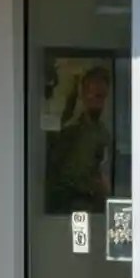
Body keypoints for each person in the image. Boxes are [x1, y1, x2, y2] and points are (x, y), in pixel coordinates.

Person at [47, 66, 112, 213]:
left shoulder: (104, 133)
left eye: (102, 96)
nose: (99, 102)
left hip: (95, 205)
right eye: (95, 95)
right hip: (69, 205)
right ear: (83, 94)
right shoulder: (69, 131)